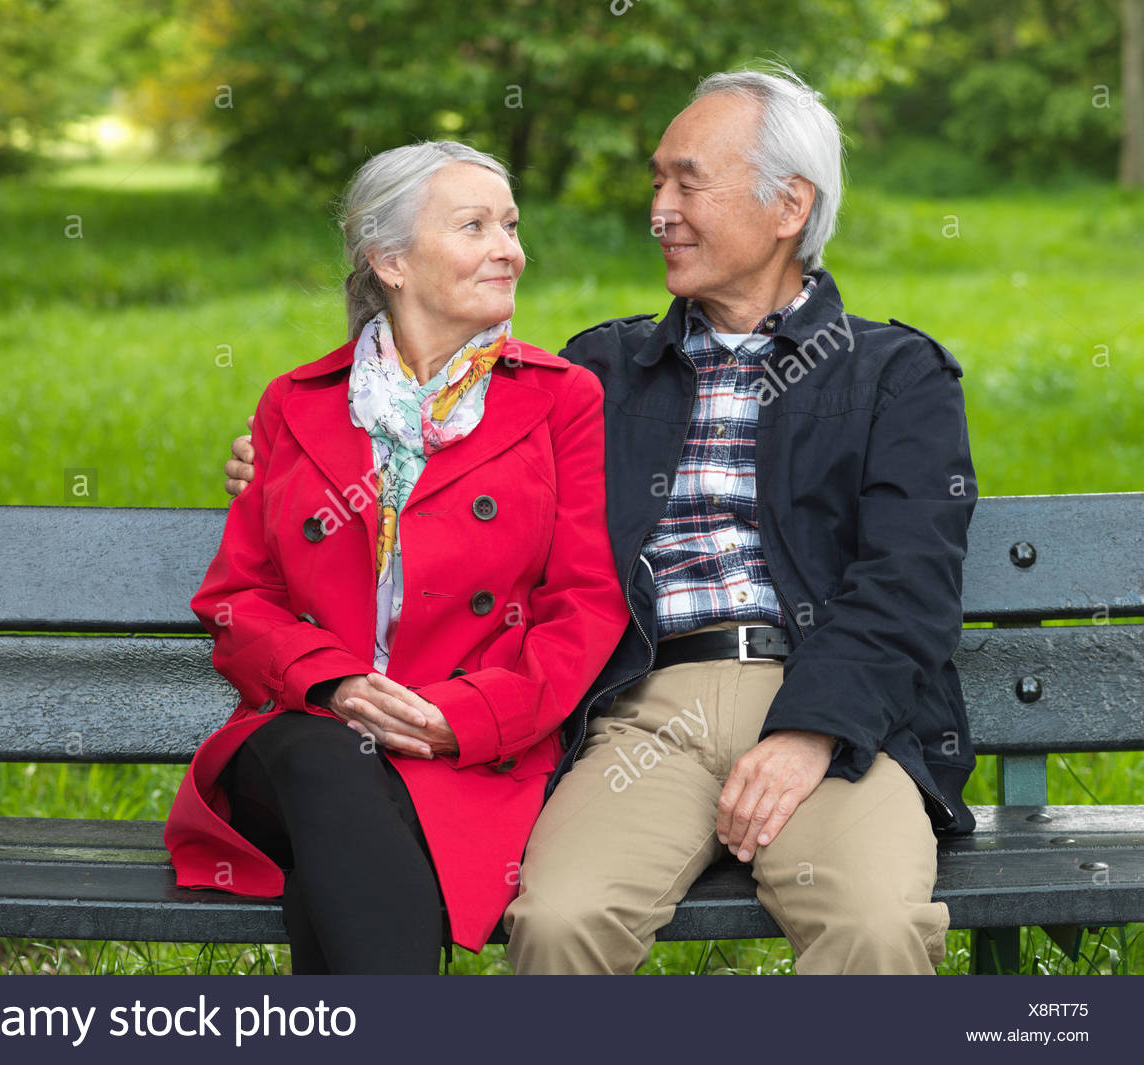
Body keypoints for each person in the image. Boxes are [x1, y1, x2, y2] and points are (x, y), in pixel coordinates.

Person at [226, 65, 978, 975]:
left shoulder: (895, 375)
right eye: (657, 182)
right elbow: (443, 444)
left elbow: (907, 585)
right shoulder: (602, 371)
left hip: (833, 712)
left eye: (687, 183)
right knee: (560, 919)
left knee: (873, 927)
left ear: (789, 206)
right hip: (646, 715)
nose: (660, 210)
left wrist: (809, 731)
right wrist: (291, 469)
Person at [165, 140, 629, 974]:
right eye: (475, 226)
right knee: (331, 761)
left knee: (346, 844)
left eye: (512, 226)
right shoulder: (297, 403)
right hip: (305, 735)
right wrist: (335, 683)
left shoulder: (561, 398)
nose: (510, 250)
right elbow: (239, 600)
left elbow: (586, 601)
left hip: (473, 751)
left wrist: (464, 716)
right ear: (391, 261)